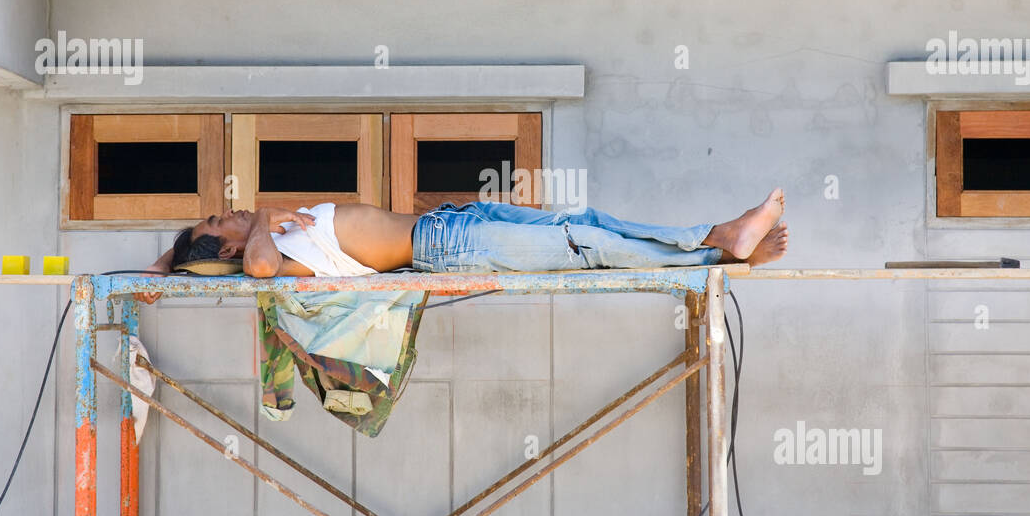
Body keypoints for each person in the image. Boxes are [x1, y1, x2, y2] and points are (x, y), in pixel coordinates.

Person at [134, 189, 788, 304]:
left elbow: (167, 267)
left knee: (587, 223)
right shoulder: (261, 255)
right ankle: (721, 247)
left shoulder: (265, 239)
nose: (236, 211)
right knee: (584, 245)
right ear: (216, 243)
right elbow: (250, 268)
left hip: (448, 223)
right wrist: (258, 220)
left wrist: (166, 258)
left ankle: (720, 240)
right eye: (221, 217)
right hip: (449, 248)